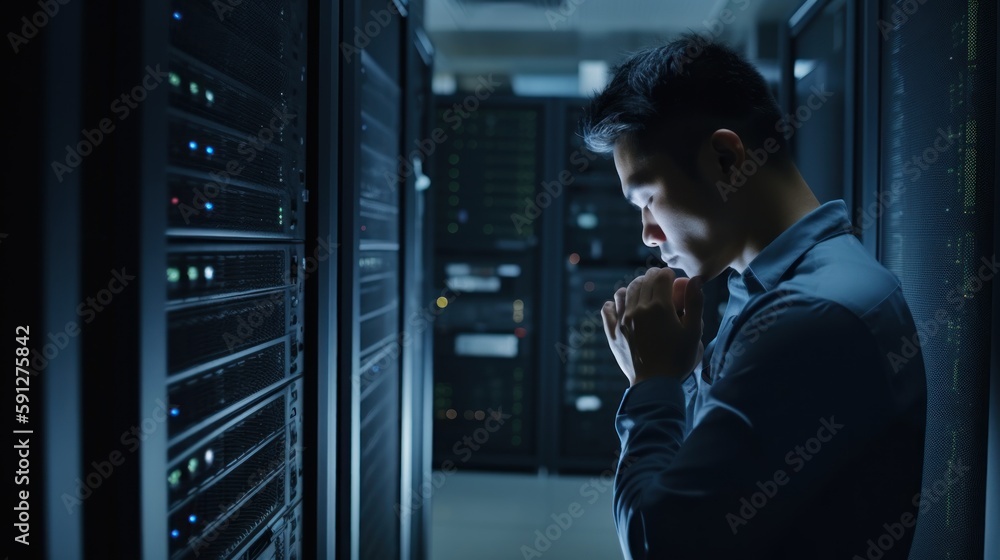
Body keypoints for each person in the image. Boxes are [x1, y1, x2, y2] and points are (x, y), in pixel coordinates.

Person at [581, 34, 927, 560]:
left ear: (725, 158)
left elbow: (662, 546)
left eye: (647, 198)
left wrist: (652, 384)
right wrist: (677, 374)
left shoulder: (812, 317)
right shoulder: (763, 291)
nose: (647, 233)